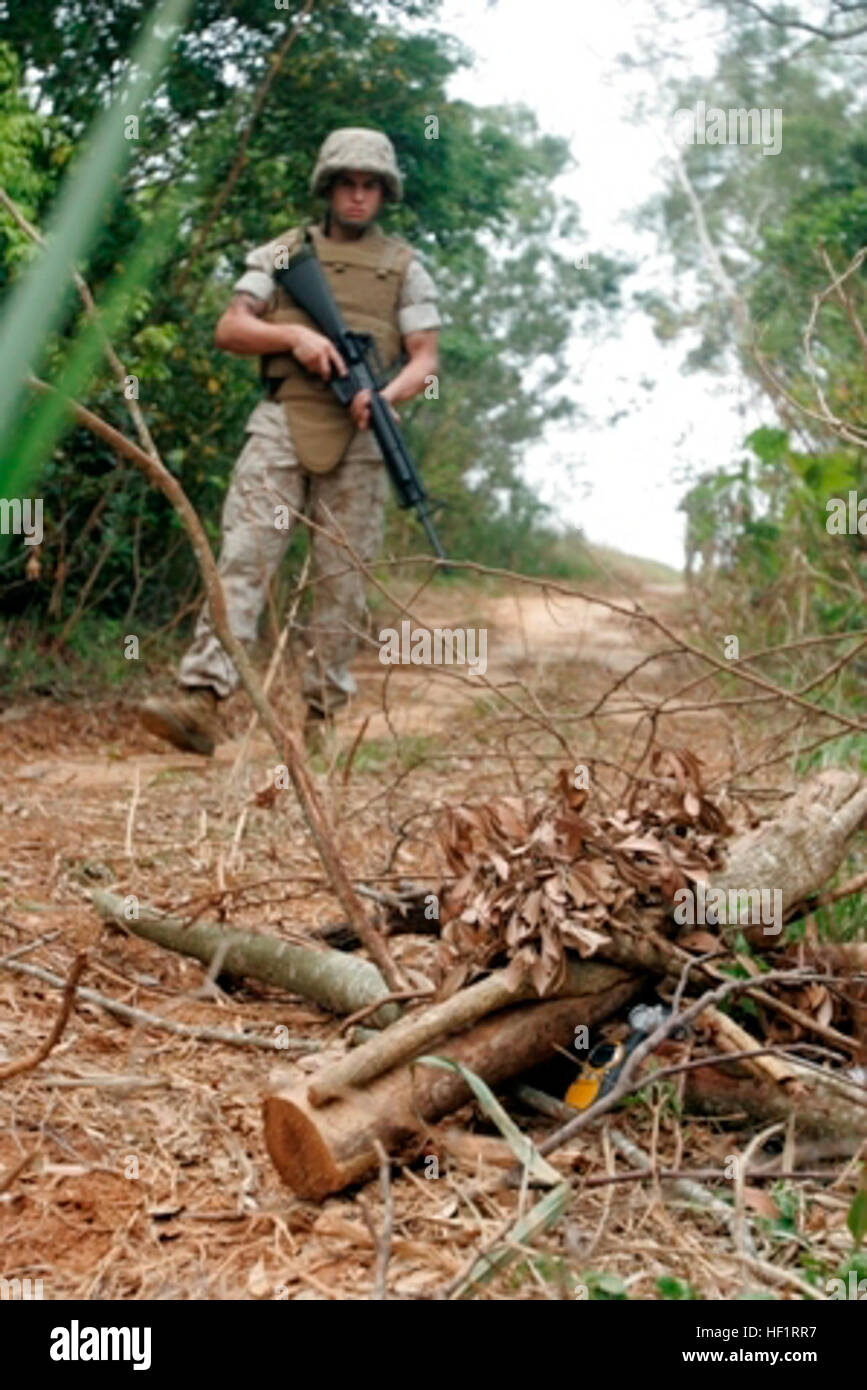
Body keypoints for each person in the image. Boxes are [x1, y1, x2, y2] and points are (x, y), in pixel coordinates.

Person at [139, 127, 441, 755]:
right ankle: (201, 699)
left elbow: (424, 359)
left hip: (360, 433)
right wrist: (294, 339)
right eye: (347, 185)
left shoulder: (404, 266)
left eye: (370, 187)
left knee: (342, 581)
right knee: (246, 555)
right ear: (327, 188)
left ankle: (323, 720)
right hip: (282, 420)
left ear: (384, 194)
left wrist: (384, 398)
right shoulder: (283, 255)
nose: (358, 197)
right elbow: (231, 327)